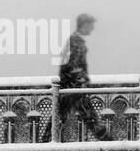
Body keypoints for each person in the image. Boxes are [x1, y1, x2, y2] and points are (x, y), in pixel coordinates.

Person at [42, 12, 109, 142]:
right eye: (91, 24)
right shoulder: (76, 42)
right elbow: (73, 66)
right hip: (74, 89)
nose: (93, 28)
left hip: (70, 89)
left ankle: (40, 150)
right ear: (84, 25)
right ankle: (114, 148)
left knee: (58, 120)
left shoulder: (74, 40)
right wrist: (81, 81)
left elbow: (68, 66)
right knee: (90, 119)